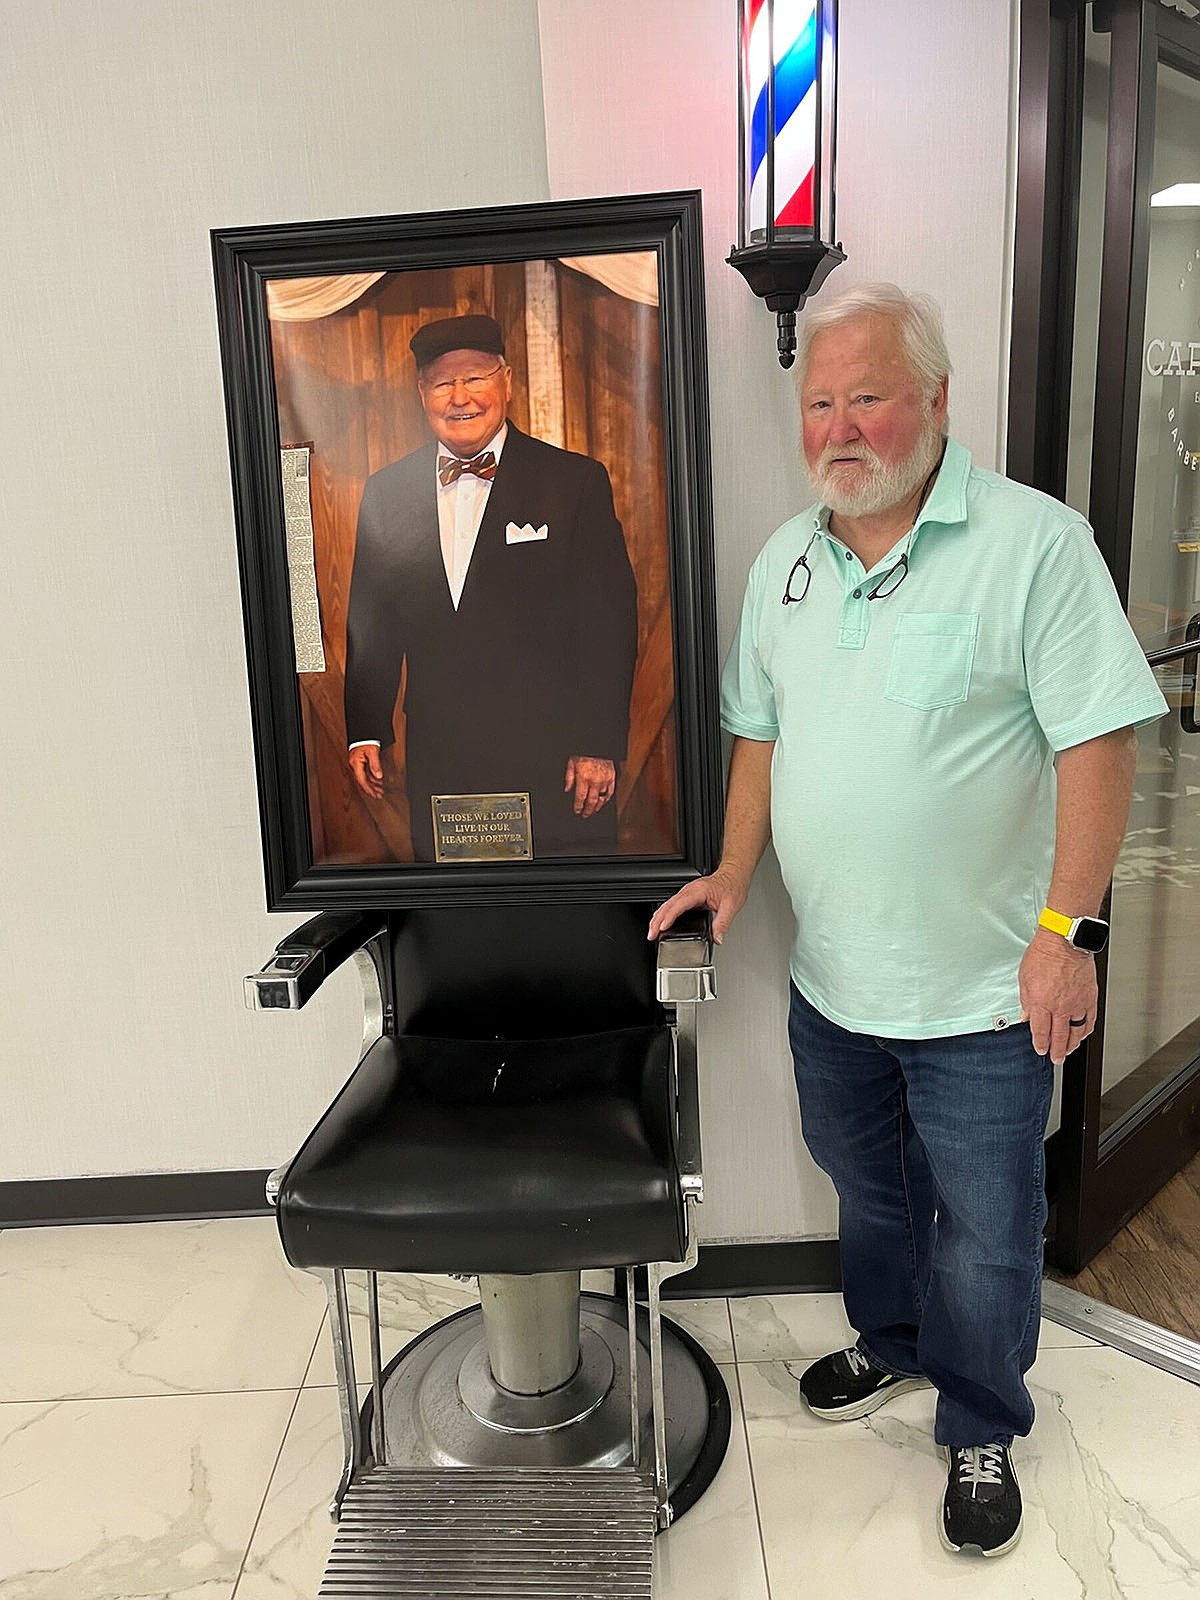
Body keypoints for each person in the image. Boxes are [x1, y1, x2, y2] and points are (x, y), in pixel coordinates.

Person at [650, 283, 1168, 1558]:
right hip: (835, 984)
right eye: (820, 402)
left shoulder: (1035, 545)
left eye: (867, 397)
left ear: (936, 400)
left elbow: (1100, 743)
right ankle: (891, 1342)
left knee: (988, 1228)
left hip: (990, 992)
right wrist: (731, 871)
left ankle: (981, 1416)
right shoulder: (787, 561)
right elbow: (758, 736)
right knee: (870, 1192)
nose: (839, 427)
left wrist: (1069, 934)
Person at [344, 313, 638, 861]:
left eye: (476, 378)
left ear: (506, 381)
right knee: (459, 908)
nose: (460, 397)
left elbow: (607, 621)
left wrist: (597, 743)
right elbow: (371, 620)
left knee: (560, 907)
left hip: (555, 762)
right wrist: (366, 728)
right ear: (421, 393)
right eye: (442, 383)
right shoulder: (387, 493)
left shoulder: (574, 482)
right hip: (441, 761)